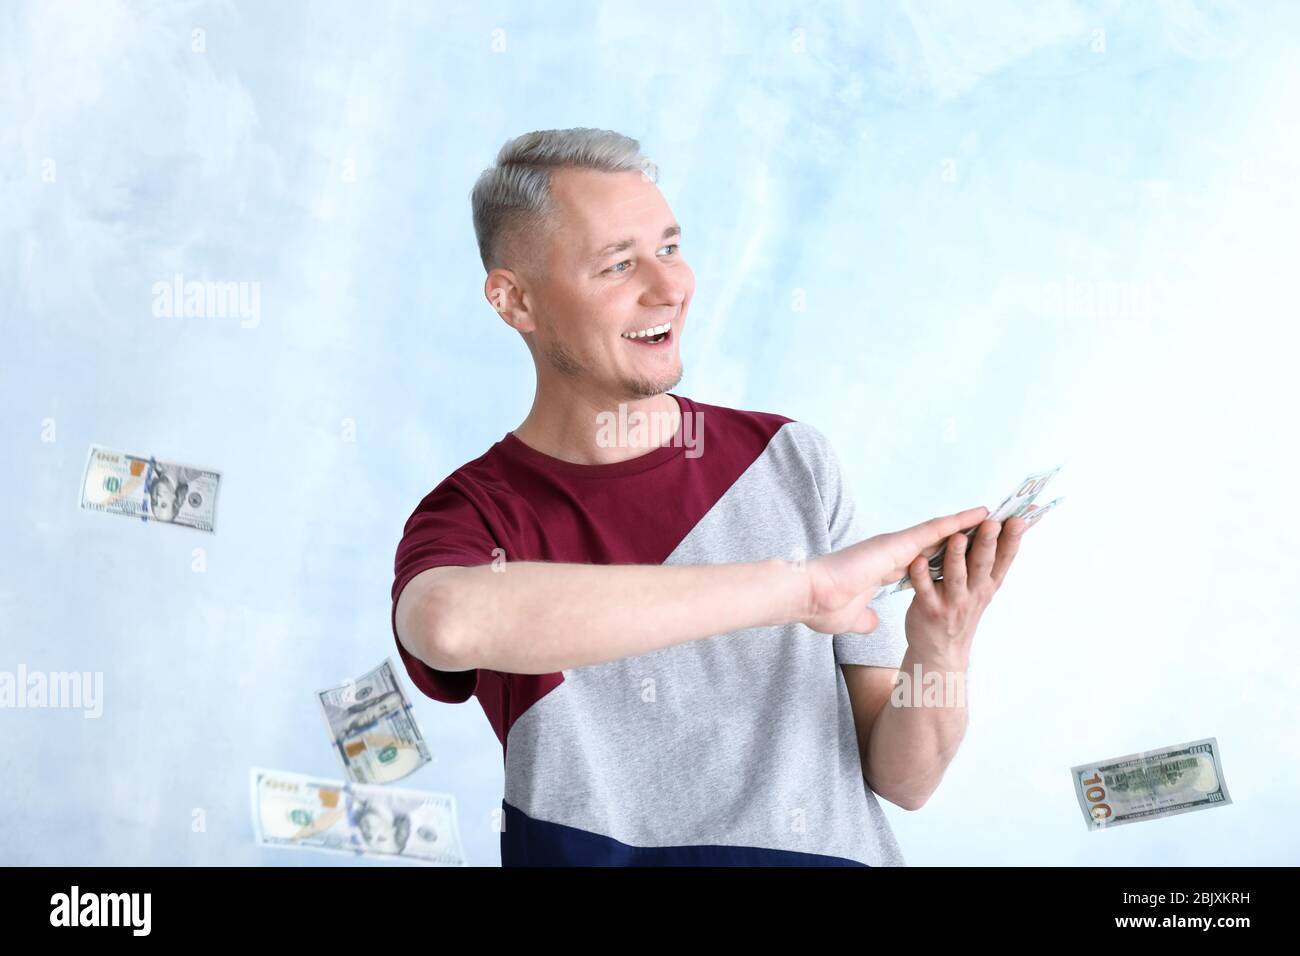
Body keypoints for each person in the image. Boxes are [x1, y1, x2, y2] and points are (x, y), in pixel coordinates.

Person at [390, 128, 1034, 866]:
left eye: (668, 248)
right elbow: (445, 622)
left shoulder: (790, 458)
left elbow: (905, 779)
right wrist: (800, 589)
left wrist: (941, 644)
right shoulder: (475, 514)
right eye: (618, 265)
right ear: (515, 300)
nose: (669, 288)